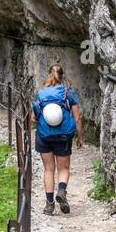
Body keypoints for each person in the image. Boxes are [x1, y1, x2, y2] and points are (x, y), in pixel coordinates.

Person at [30, 63, 83, 215]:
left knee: (48, 169)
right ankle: (61, 191)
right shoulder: (68, 93)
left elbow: (34, 118)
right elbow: (77, 118)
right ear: (62, 76)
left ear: (49, 75)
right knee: (64, 168)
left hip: (44, 136)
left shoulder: (41, 94)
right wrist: (80, 138)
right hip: (63, 136)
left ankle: (49, 205)